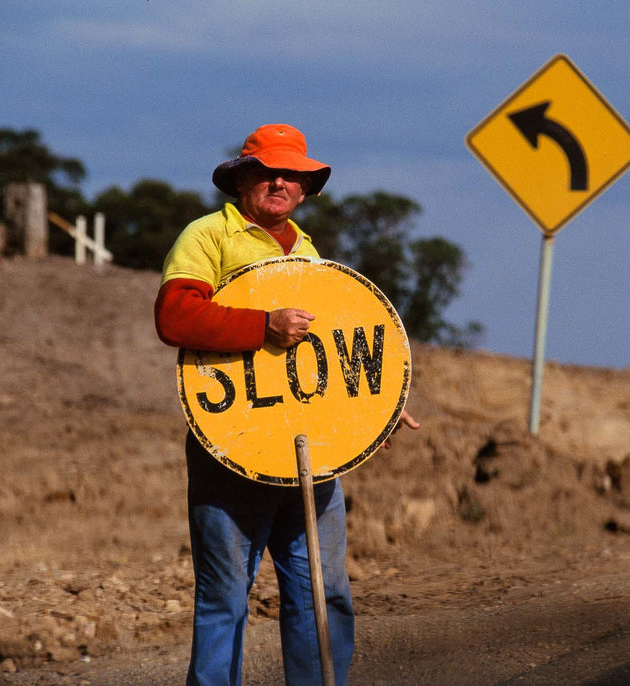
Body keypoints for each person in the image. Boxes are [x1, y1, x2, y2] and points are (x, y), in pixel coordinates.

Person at [154, 123, 419, 686]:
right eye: (268, 171)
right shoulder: (208, 237)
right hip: (232, 453)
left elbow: (328, 351)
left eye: (292, 175)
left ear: (304, 189)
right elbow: (174, 317)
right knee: (224, 600)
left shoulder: (309, 252)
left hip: (311, 460)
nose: (280, 182)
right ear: (242, 179)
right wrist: (261, 325)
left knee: (324, 594)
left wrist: (375, 407)